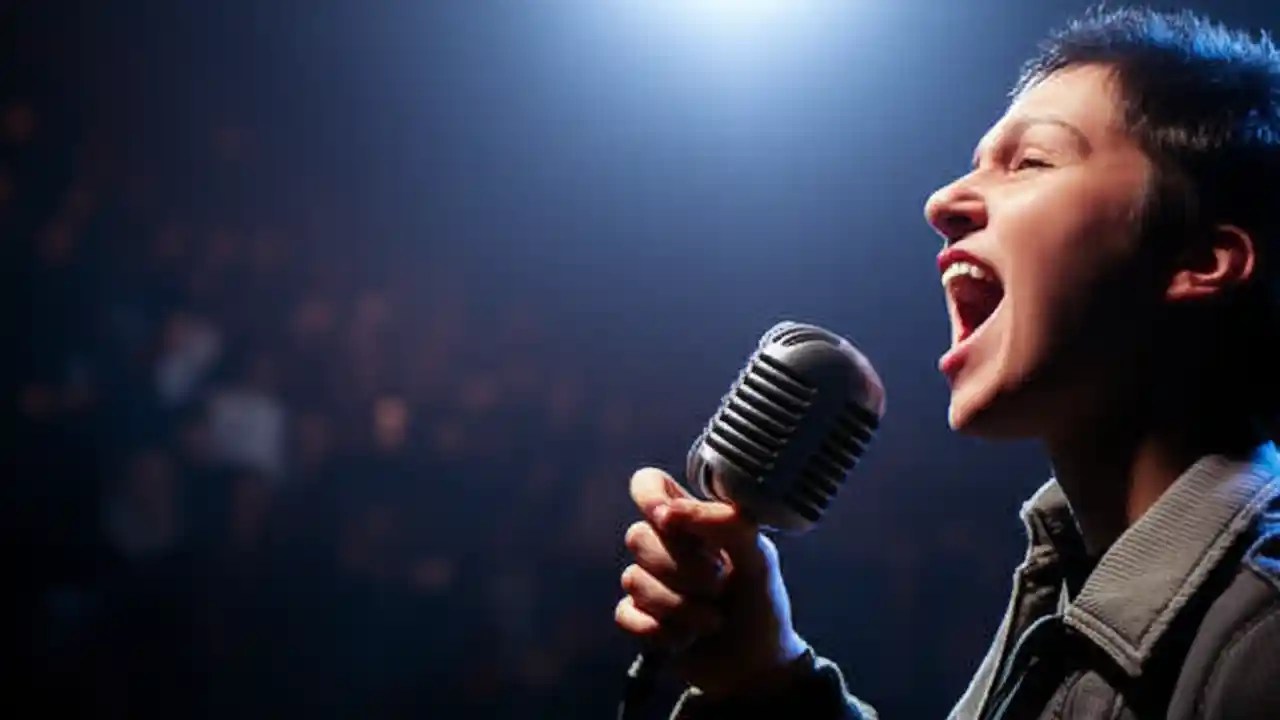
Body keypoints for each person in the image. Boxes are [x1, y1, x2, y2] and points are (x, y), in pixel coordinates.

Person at [615, 7, 1280, 719]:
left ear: (1200, 259)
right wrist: (765, 681)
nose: (943, 202)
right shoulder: (1067, 584)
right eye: (976, 165)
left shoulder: (1262, 647)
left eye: (1030, 162)